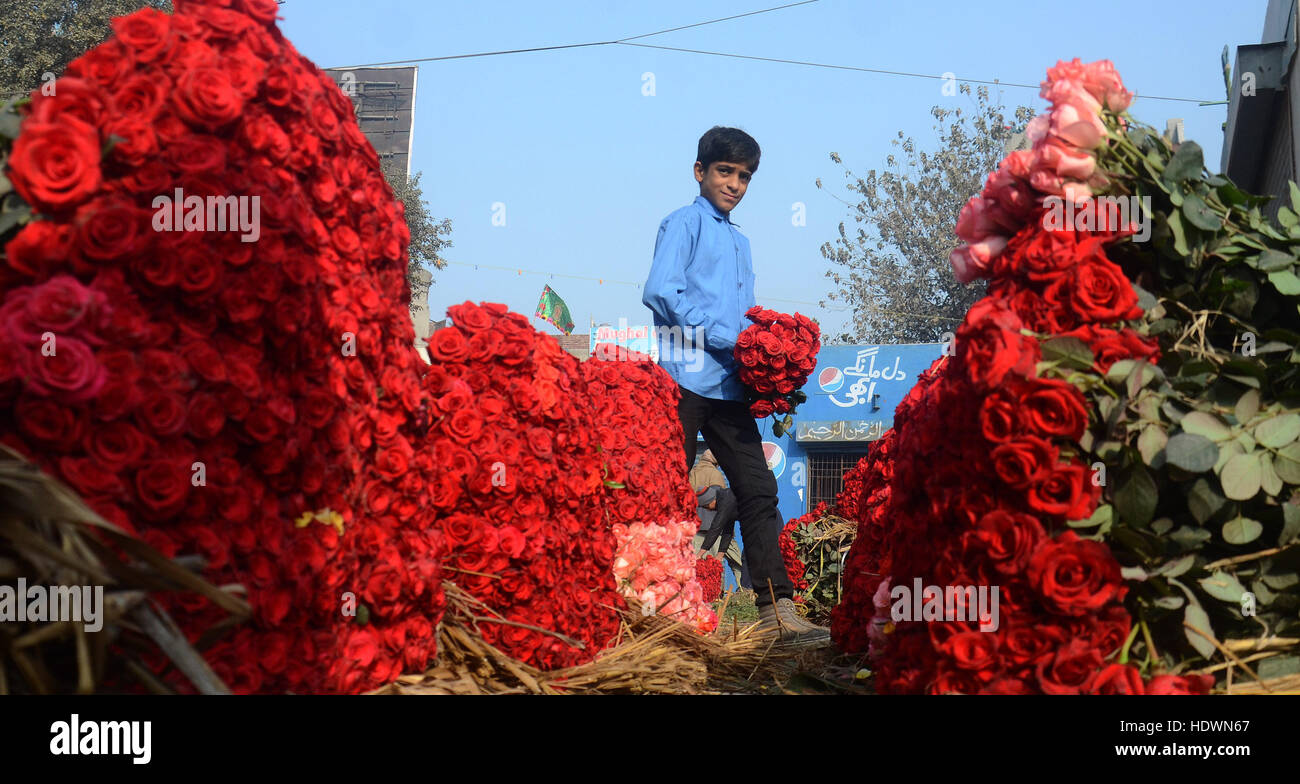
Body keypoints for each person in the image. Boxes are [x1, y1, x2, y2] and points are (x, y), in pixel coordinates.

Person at [642, 126, 829, 648]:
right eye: (726, 172)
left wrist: (768, 358)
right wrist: (728, 336)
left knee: (759, 489)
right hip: (682, 379)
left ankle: (776, 612)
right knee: (665, 494)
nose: (735, 184)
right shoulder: (682, 224)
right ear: (700, 172)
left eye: (745, 176)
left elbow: (745, 317)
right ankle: (653, 607)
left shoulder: (741, 241)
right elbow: (660, 291)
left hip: (729, 387)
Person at [688, 449, 749, 590]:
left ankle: (710, 596)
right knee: (735, 563)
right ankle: (744, 591)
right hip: (716, 528)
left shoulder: (692, 473)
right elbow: (726, 509)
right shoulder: (716, 474)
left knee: (702, 568)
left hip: (697, 527)